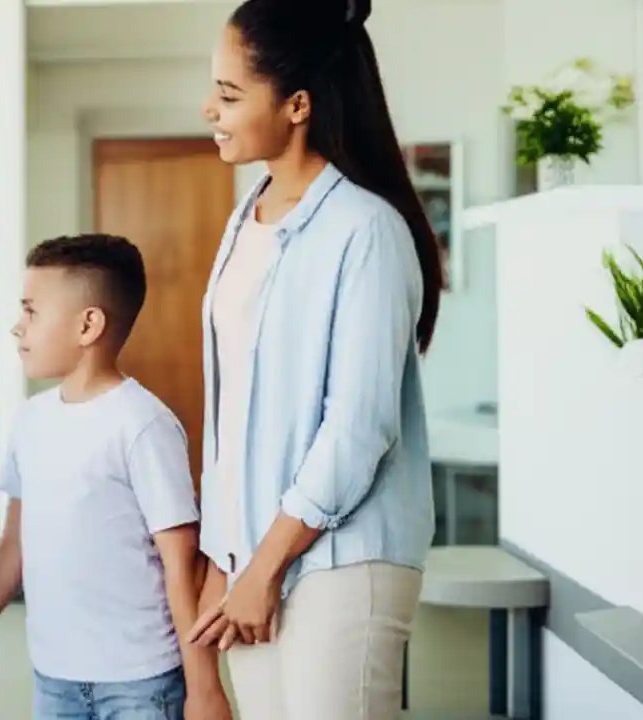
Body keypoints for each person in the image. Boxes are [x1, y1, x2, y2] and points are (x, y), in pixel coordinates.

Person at [185, 1, 443, 718]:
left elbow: (359, 427)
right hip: (253, 561)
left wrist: (264, 565)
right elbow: (232, 414)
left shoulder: (367, 230)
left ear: (297, 103)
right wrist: (222, 556)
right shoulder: (248, 220)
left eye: (230, 93)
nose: (210, 107)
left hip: (339, 559)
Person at [0, 234, 231, 719]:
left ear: (88, 324)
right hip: (55, 682)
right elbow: (13, 546)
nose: (18, 328)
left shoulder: (143, 424)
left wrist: (204, 690)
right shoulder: (30, 421)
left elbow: (182, 568)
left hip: (141, 684)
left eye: (31, 311)